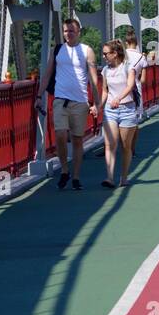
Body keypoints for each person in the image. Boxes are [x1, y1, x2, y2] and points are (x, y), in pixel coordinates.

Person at [36, 16, 101, 191]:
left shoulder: (87, 50)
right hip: (60, 99)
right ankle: (64, 170)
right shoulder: (57, 50)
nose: (68, 34)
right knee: (60, 135)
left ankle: (76, 176)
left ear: (78, 32)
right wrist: (39, 96)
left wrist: (96, 103)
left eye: (71, 30)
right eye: (65, 31)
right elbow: (47, 74)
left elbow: (94, 79)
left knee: (78, 140)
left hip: (80, 101)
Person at [98, 39, 140, 188]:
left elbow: (130, 86)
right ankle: (109, 177)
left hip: (127, 109)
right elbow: (104, 91)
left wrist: (119, 98)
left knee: (126, 146)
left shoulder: (129, 68)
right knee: (110, 144)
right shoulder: (105, 70)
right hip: (110, 110)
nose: (103, 57)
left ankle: (124, 177)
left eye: (105, 54)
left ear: (115, 54)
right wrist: (98, 106)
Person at [125, 32, 149, 118]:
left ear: (126, 43)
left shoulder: (121, 56)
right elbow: (143, 80)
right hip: (135, 88)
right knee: (134, 116)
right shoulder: (141, 57)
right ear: (137, 43)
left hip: (122, 87)